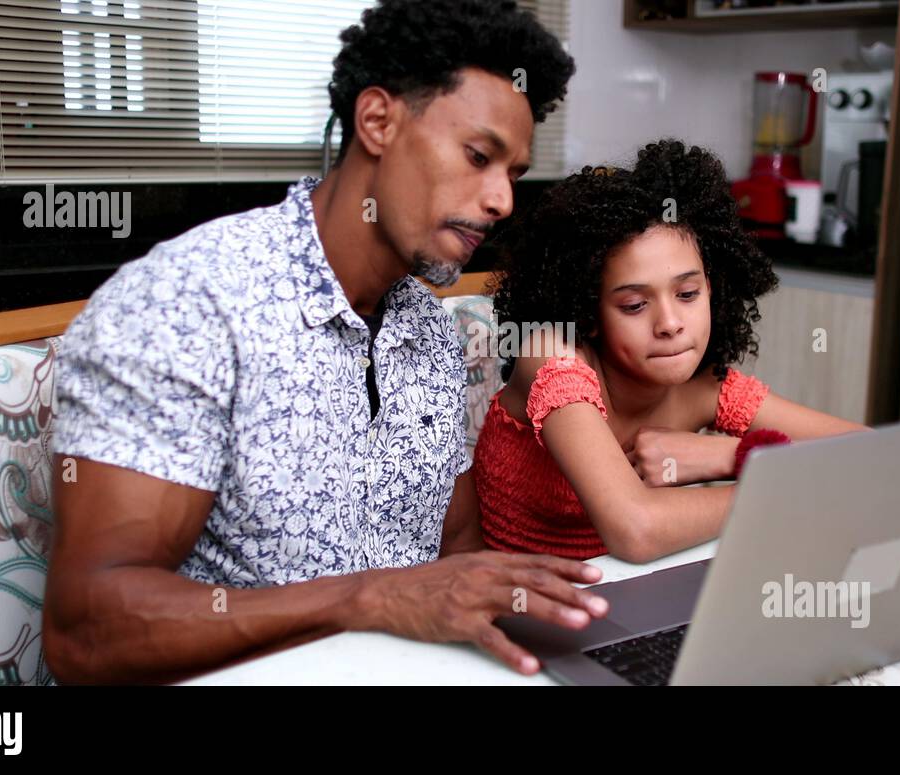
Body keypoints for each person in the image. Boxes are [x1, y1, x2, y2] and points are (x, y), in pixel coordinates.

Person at [44, 0, 606, 684]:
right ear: (378, 121)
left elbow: (458, 550)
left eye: (513, 174)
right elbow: (84, 629)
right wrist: (368, 598)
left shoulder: (428, 329)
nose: (501, 201)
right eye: (479, 156)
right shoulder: (188, 302)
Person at [474, 140, 871, 563]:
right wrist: (772, 484)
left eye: (687, 293)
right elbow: (636, 529)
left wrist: (729, 456)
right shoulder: (552, 358)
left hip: (642, 603)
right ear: (588, 312)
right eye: (634, 305)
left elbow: (878, 456)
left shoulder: (706, 389)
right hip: (528, 610)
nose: (669, 323)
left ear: (712, 289)